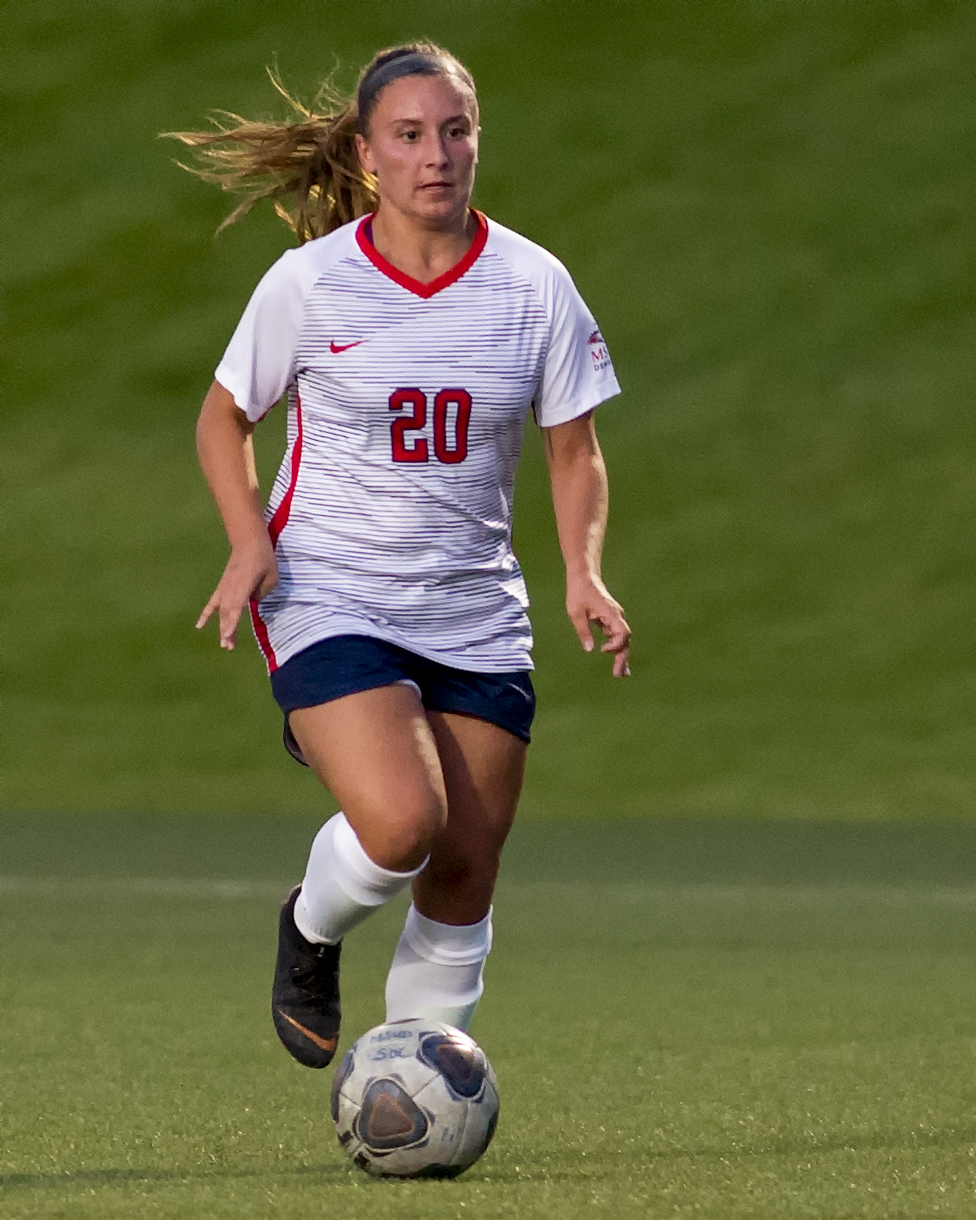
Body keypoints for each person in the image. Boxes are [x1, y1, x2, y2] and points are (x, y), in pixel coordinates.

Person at [178, 41, 630, 1069]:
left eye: (456, 130)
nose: (437, 154)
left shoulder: (532, 283)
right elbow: (221, 418)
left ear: (479, 140)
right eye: (410, 134)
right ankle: (309, 924)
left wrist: (585, 570)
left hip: (473, 606)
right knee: (401, 823)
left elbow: (574, 450)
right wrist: (248, 539)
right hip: (328, 588)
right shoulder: (312, 282)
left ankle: (404, 1083)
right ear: (367, 153)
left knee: (464, 864)